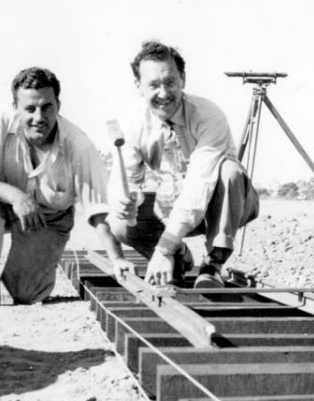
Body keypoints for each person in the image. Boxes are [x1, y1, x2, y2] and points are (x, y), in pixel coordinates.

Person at [90, 40, 259, 288]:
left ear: (183, 79)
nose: (163, 93)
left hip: (219, 204)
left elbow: (199, 187)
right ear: (138, 86)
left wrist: (164, 246)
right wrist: (124, 203)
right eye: (153, 85)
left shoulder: (208, 115)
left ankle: (213, 264)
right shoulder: (132, 122)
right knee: (118, 222)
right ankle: (179, 257)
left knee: (229, 171)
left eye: (170, 82)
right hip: (169, 205)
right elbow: (122, 180)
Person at [0, 67, 108, 311]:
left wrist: (117, 259)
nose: (39, 117)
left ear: (58, 105)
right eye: (30, 109)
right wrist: (15, 196)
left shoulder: (79, 145)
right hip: (6, 206)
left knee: (27, 294)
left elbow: (98, 209)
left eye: (47, 107)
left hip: (48, 220)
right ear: (15, 106)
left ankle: (26, 278)